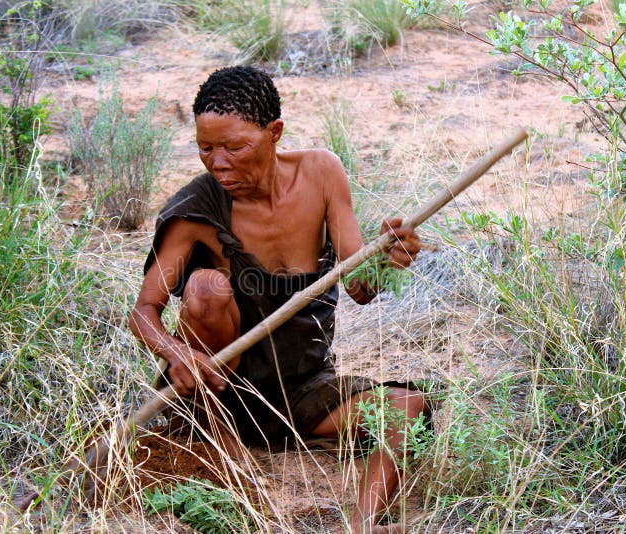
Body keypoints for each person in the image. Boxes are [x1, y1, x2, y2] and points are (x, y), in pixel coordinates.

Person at [129, 66, 429, 534]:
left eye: (234, 147)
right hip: (218, 395)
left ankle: (362, 525)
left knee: (408, 407)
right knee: (206, 287)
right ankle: (221, 446)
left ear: (274, 133)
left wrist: (387, 261)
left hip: (300, 392)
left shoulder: (321, 173)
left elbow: (360, 288)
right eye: (206, 148)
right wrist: (177, 352)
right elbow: (144, 310)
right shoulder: (197, 210)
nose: (218, 163)